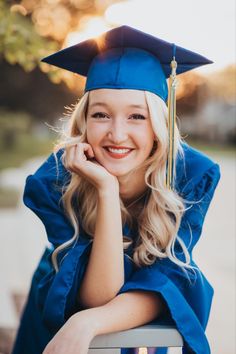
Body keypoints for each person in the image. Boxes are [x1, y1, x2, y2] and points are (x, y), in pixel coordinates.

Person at [12, 25, 220, 354]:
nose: (117, 134)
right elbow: (97, 295)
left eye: (137, 116)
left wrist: (89, 322)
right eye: (101, 114)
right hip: (60, 302)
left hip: (136, 309)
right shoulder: (54, 181)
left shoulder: (189, 176)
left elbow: (169, 280)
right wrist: (106, 190)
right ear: (83, 122)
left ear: (159, 125)